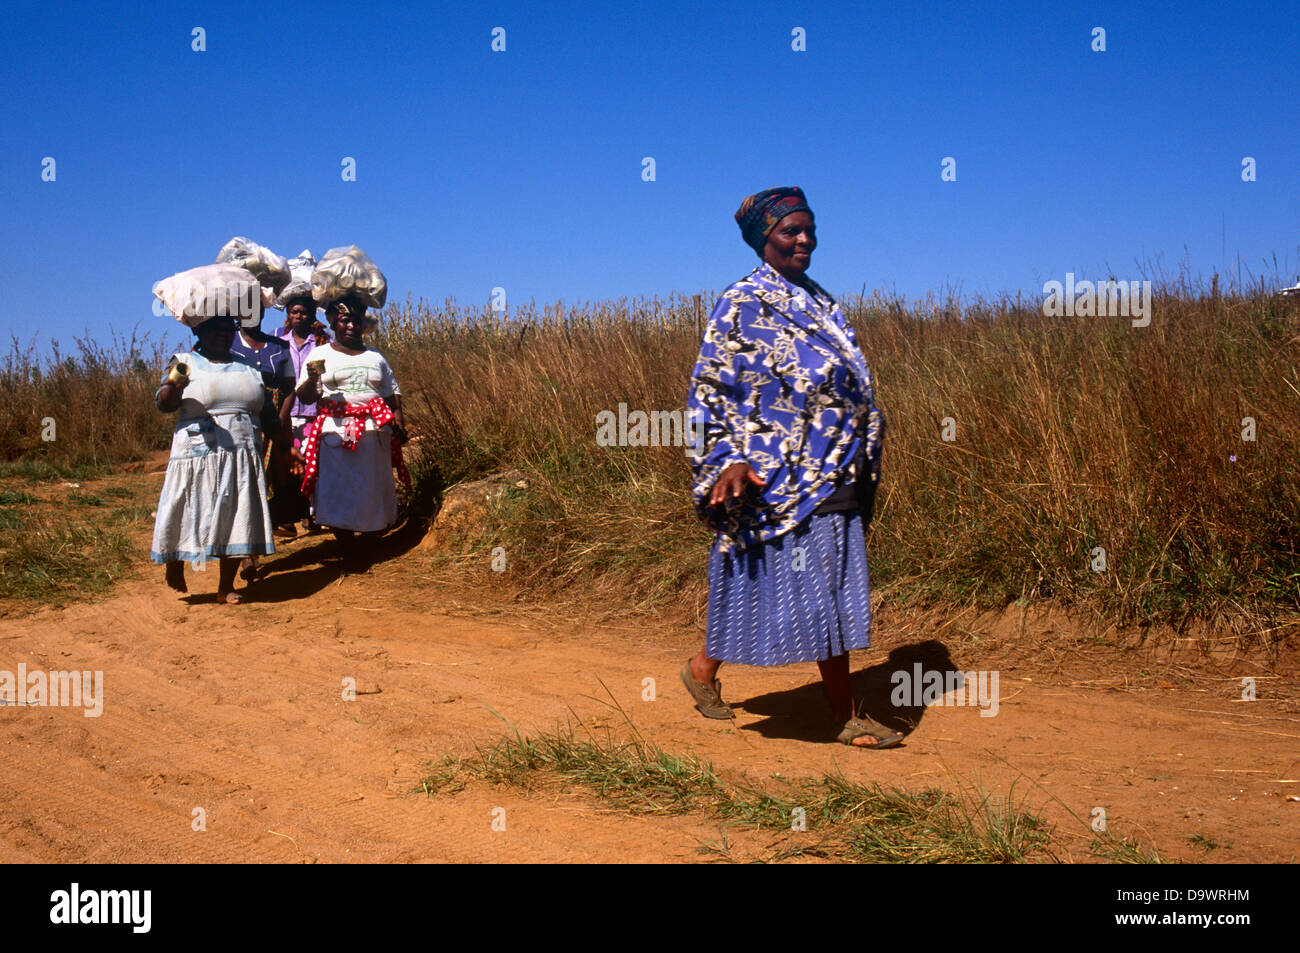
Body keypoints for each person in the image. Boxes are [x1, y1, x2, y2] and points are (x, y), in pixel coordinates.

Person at [681, 186, 901, 748]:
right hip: (773, 473)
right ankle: (843, 710)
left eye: (809, 229)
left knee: (826, 582)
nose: (804, 240)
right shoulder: (742, 303)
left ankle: (709, 670)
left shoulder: (821, 304)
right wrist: (726, 456)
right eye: (789, 232)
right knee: (765, 575)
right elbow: (713, 386)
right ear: (764, 239)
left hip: (837, 465)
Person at [150, 313, 277, 604]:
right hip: (198, 454)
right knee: (189, 508)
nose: (222, 334)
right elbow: (163, 403)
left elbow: (267, 410)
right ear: (199, 332)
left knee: (235, 515)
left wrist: (283, 443)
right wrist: (175, 385)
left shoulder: (247, 366)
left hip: (242, 453)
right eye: (214, 329)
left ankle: (225, 587)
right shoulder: (184, 362)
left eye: (227, 329)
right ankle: (175, 562)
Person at [294, 295, 409, 561]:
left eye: (356, 321)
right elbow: (306, 396)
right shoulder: (320, 355)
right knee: (338, 488)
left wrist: (399, 420)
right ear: (333, 323)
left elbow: (392, 392)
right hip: (336, 432)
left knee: (372, 487)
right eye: (344, 321)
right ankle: (346, 545)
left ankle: (369, 539)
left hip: (374, 433)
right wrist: (313, 378)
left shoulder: (375, 357)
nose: (351, 326)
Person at [274, 291, 331, 534]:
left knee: (310, 462)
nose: (298, 316)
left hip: (311, 411)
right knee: (284, 463)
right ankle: (286, 515)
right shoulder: (277, 339)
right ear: (288, 315)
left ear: (311, 316)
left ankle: (310, 513)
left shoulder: (321, 342)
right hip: (284, 412)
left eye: (304, 312)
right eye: (294, 312)